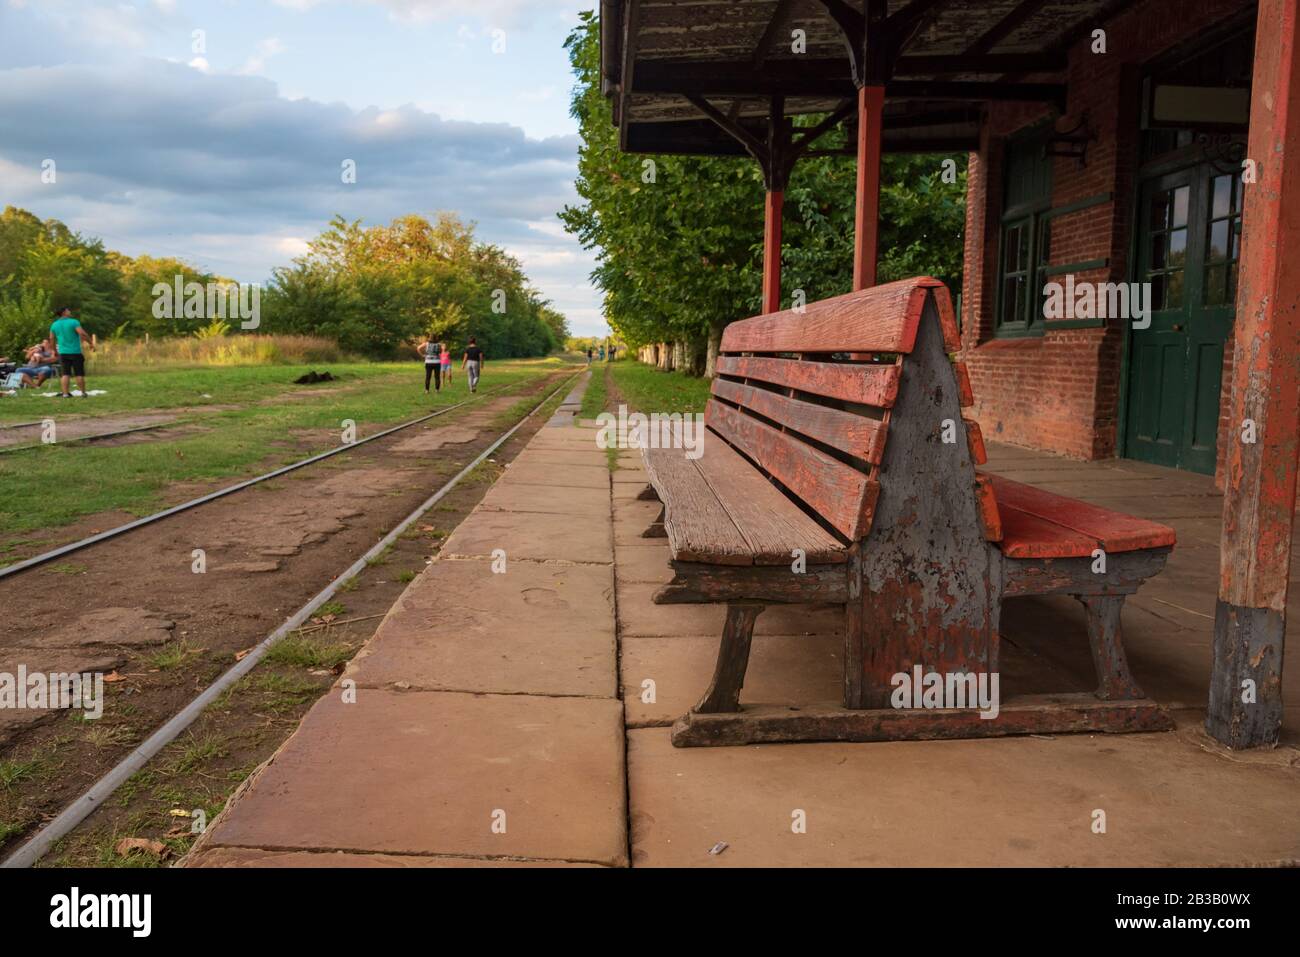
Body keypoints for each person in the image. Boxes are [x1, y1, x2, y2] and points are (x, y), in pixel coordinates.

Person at [50, 307, 93, 398]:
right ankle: (83, 393)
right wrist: (91, 343)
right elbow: (82, 333)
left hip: (63, 353)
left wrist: (54, 351)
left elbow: (51, 339)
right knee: (79, 373)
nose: (70, 311)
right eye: (68, 310)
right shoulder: (74, 322)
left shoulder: (54, 324)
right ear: (64, 312)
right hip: (75, 352)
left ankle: (65, 394)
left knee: (65, 374)